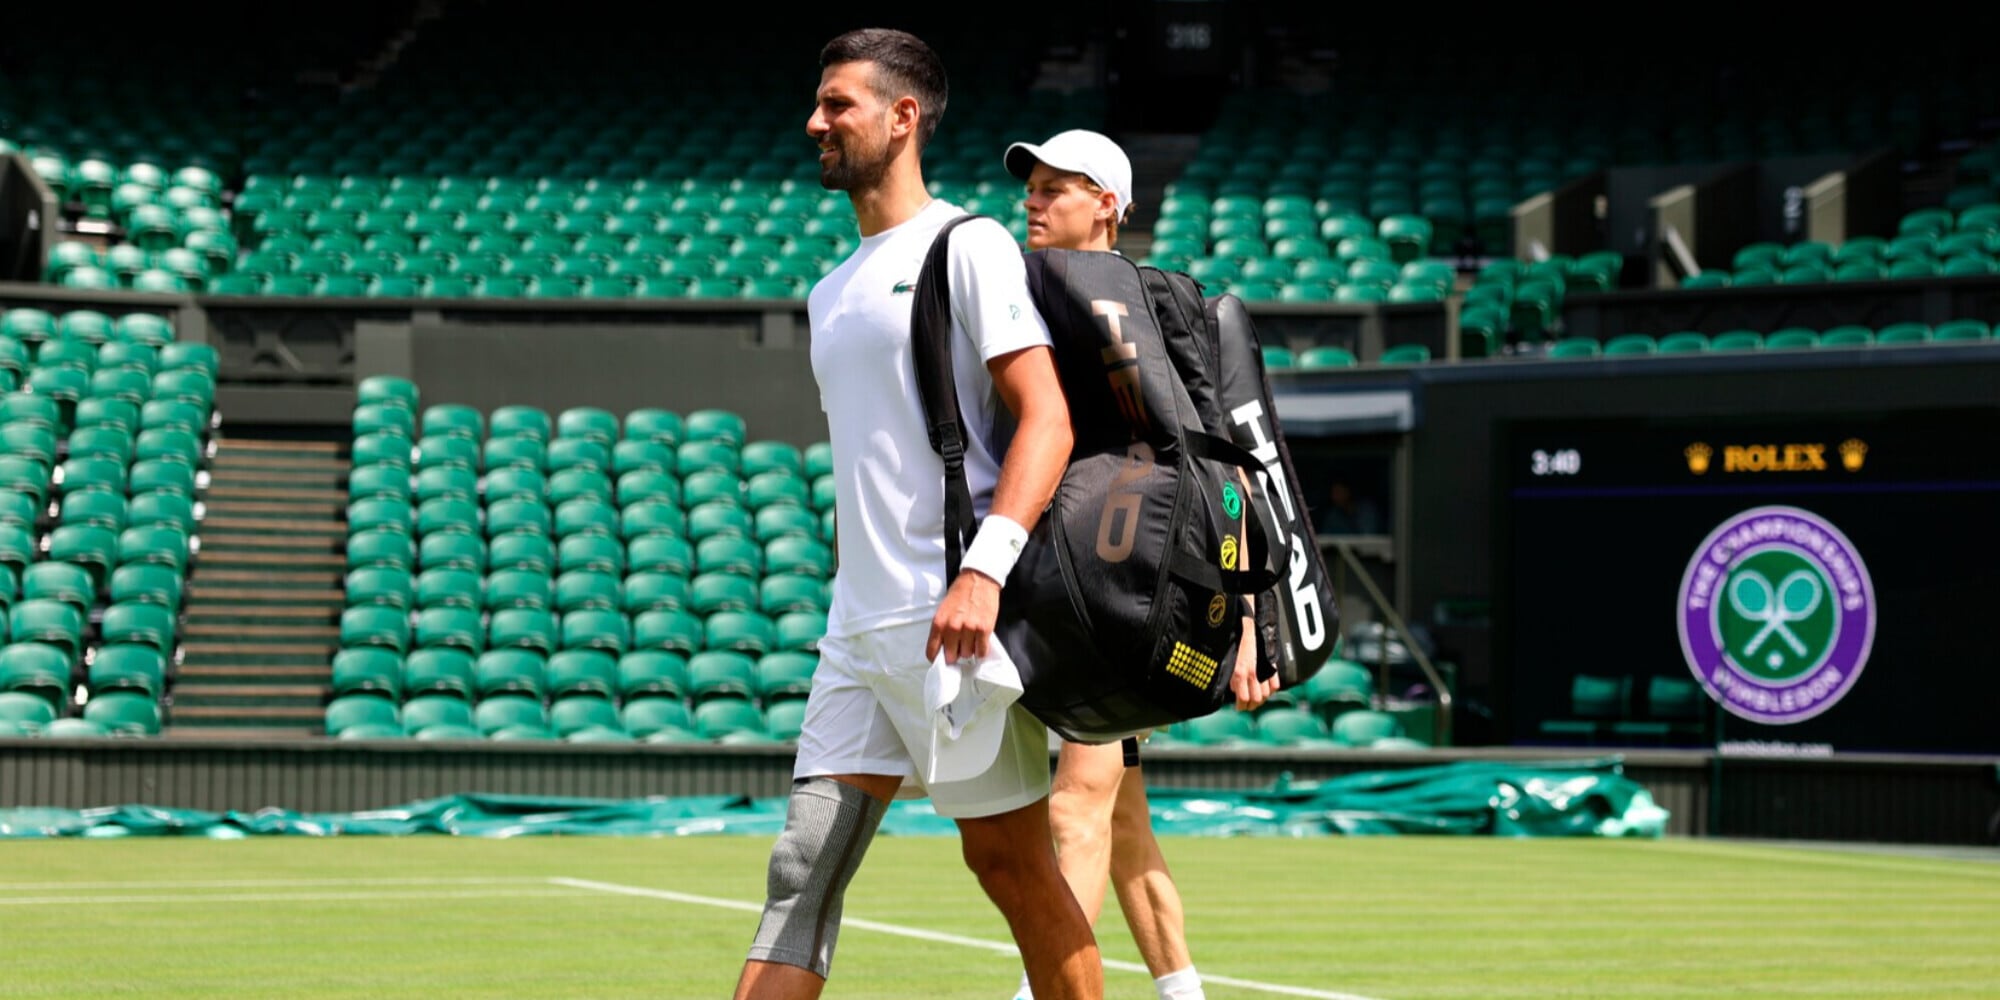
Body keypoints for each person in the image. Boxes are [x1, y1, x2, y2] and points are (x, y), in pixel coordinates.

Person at [733, 30, 1102, 1000]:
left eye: (837, 103)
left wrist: (982, 570)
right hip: (856, 635)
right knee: (798, 873)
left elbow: (1046, 418)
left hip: (951, 627)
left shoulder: (966, 244)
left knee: (1013, 871)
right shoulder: (828, 290)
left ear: (903, 118)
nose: (814, 121)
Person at [999, 129, 1279, 1000]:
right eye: (1031, 188)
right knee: (1123, 822)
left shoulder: (1151, 307)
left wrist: (1247, 624)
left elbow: (1224, 468)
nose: (1034, 202)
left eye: (1057, 188)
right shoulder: (1028, 304)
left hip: (1137, 592)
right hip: (1071, 587)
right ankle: (1182, 991)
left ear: (1109, 204)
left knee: (1076, 807)